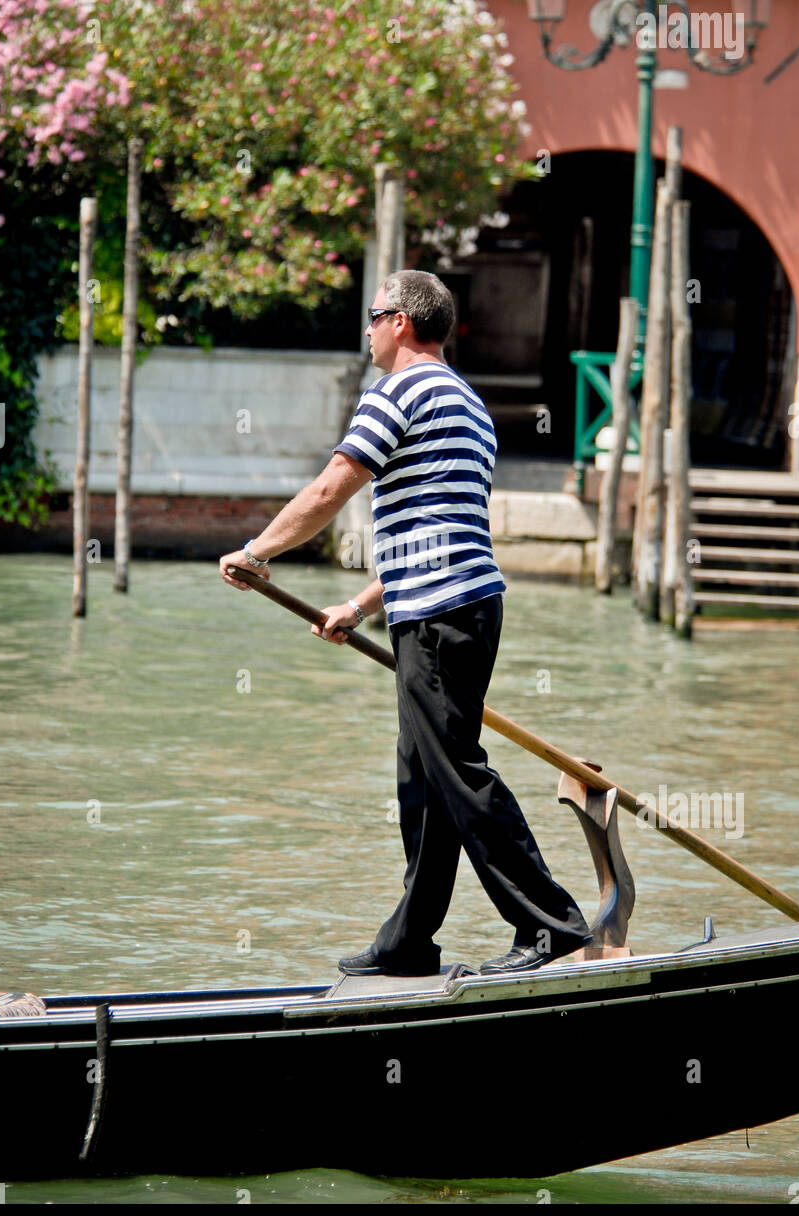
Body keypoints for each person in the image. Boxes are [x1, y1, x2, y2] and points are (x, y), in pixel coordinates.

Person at [220, 270, 591, 976]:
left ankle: (549, 924)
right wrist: (357, 606)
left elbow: (334, 484)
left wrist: (255, 550)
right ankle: (409, 942)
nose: (365, 329)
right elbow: (437, 527)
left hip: (442, 614)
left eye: (372, 315)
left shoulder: (398, 391)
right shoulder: (467, 402)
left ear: (400, 321)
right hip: (458, 605)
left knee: (456, 770)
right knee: (423, 781)